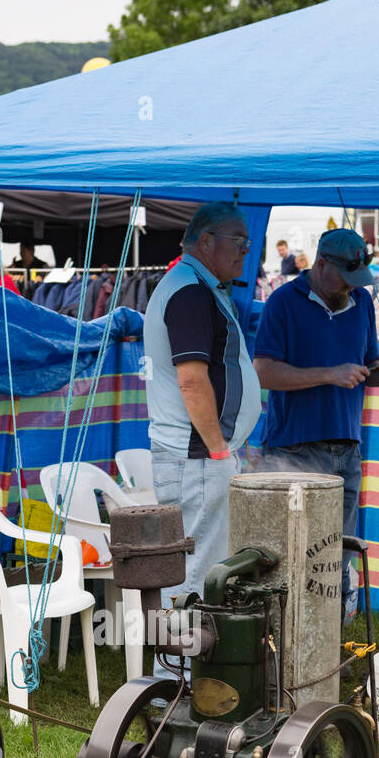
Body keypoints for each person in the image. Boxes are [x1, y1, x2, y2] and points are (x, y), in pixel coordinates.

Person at [252, 227, 379, 613]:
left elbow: (364, 370)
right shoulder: (282, 302)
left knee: (336, 559)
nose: (351, 287)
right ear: (321, 264)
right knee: (290, 557)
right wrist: (329, 373)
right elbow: (264, 373)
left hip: (347, 452)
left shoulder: (359, 302)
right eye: (346, 277)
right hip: (295, 450)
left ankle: (332, 643)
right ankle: (283, 642)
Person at [143, 201, 262, 612]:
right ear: (206, 241)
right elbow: (192, 380)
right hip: (197, 458)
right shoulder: (190, 290)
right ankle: (180, 674)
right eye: (239, 240)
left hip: (197, 456)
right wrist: (217, 450)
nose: (246, 249)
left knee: (198, 570)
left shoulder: (195, 284)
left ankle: (183, 671)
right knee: (196, 574)